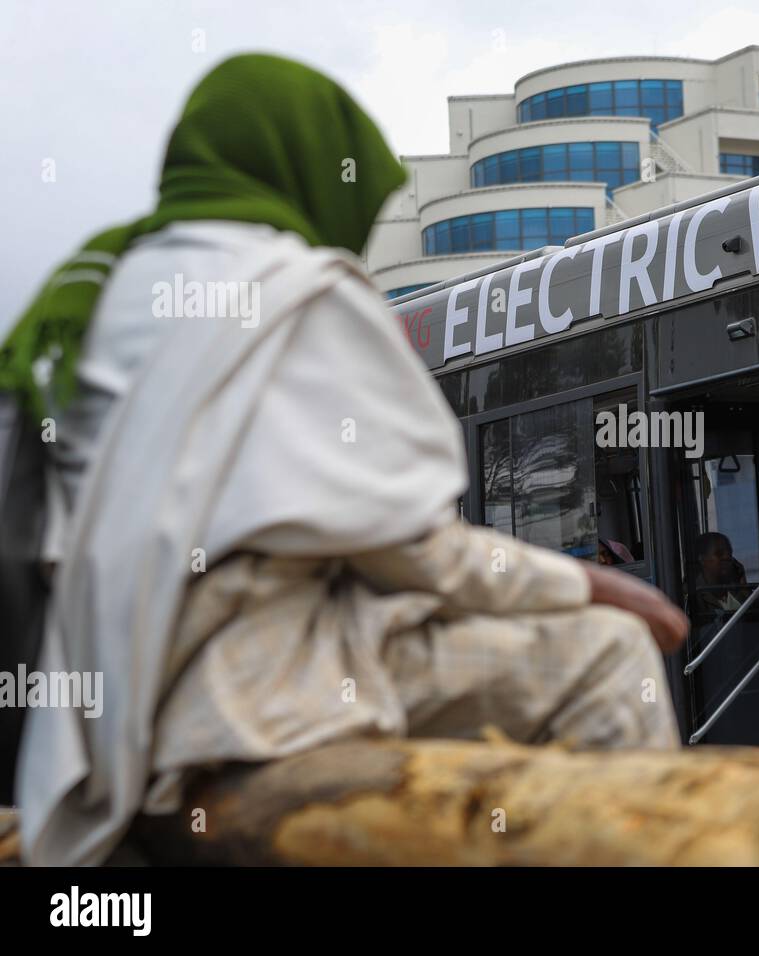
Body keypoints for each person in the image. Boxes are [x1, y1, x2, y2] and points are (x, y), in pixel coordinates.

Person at [0, 54, 687, 868]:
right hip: (252, 703)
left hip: (90, 722)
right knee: (606, 652)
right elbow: (415, 550)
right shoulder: (295, 290)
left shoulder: (96, 289)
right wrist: (592, 584)